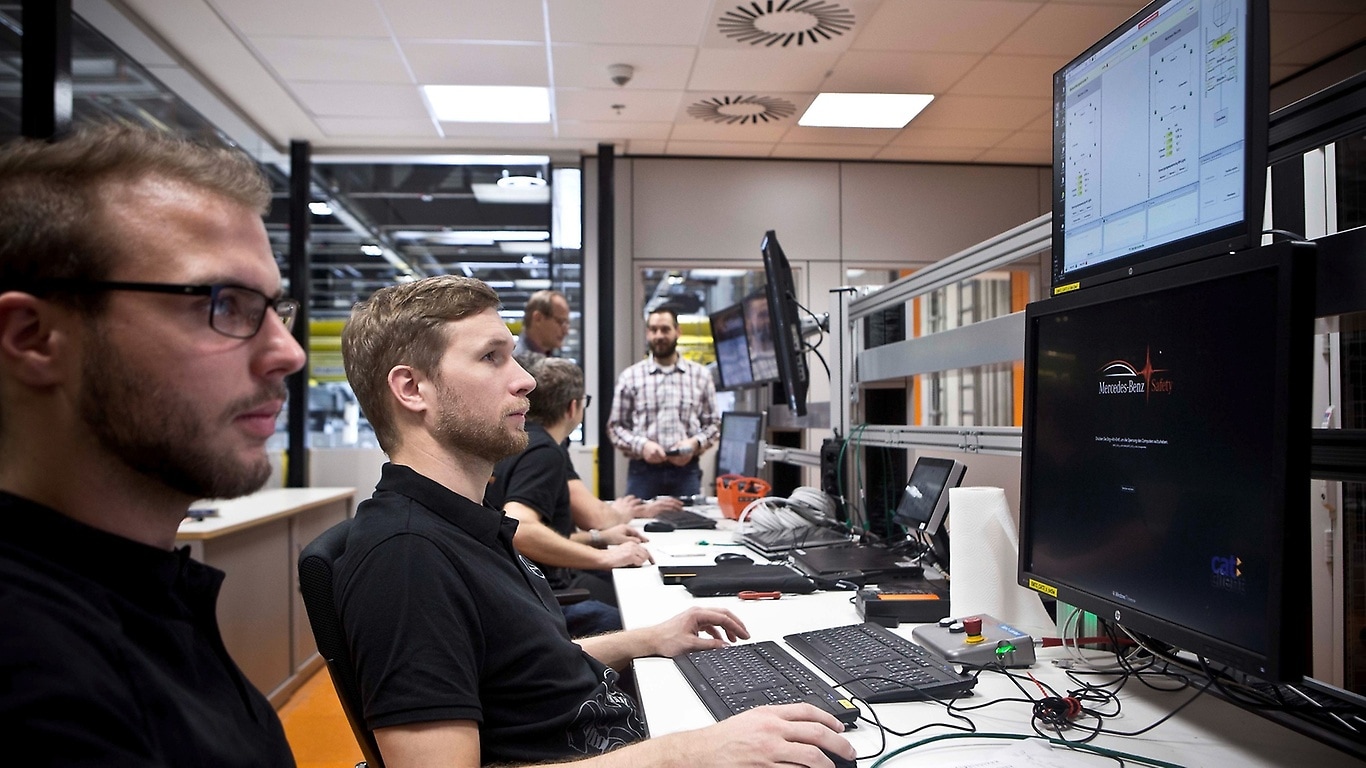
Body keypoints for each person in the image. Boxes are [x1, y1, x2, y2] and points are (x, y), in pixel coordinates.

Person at [335, 275, 854, 767]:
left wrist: (648, 639)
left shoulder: (465, 522)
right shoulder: (406, 559)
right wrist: (688, 753)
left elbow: (530, 664)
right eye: (492, 358)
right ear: (412, 389)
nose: (526, 380)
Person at [0, 123, 304, 765]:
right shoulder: (38, 684)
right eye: (223, 302)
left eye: (277, 309)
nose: (288, 353)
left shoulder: (140, 596)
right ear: (32, 337)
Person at [487, 356, 652, 636]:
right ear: (573, 406)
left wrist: (599, 539)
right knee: (643, 617)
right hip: (541, 600)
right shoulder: (545, 453)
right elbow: (520, 529)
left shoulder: (520, 441)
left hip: (512, 591)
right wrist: (605, 558)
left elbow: (517, 535)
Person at [607, 306, 721, 499]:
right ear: (647, 333)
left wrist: (694, 443)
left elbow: (714, 424)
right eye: (653, 330)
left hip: (687, 473)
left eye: (665, 329)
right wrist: (642, 446)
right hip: (643, 473)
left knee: (690, 527)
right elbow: (615, 427)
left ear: (678, 331)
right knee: (637, 527)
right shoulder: (630, 377)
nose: (659, 335)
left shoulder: (701, 376)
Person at [514, 288, 571, 358]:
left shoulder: (549, 358)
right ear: (538, 318)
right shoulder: (514, 360)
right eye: (560, 322)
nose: (566, 331)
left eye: (567, 323)